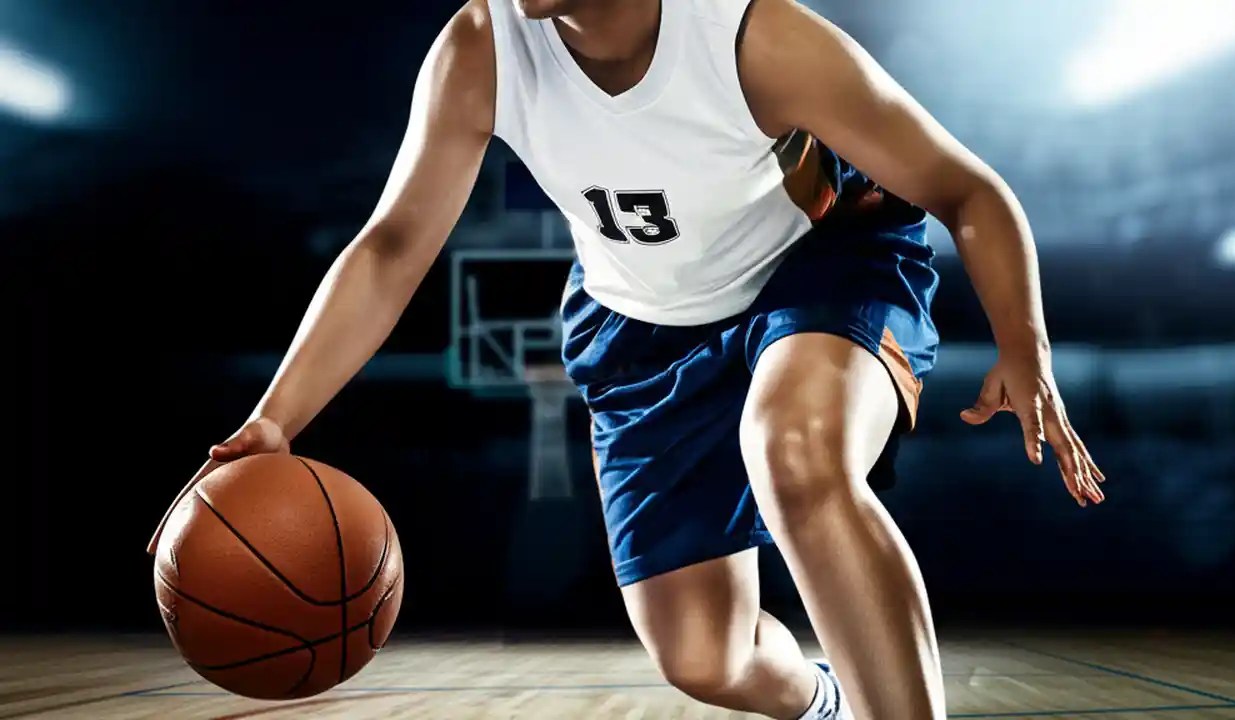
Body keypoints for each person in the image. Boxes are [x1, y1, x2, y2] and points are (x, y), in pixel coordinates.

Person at [163, 1, 1106, 717]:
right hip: (643, 328)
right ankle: (821, 702)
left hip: (822, 268)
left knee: (794, 453)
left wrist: (1026, 347)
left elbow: (968, 190)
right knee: (706, 658)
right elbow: (394, 244)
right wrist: (277, 417)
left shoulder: (753, 35)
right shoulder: (481, 47)